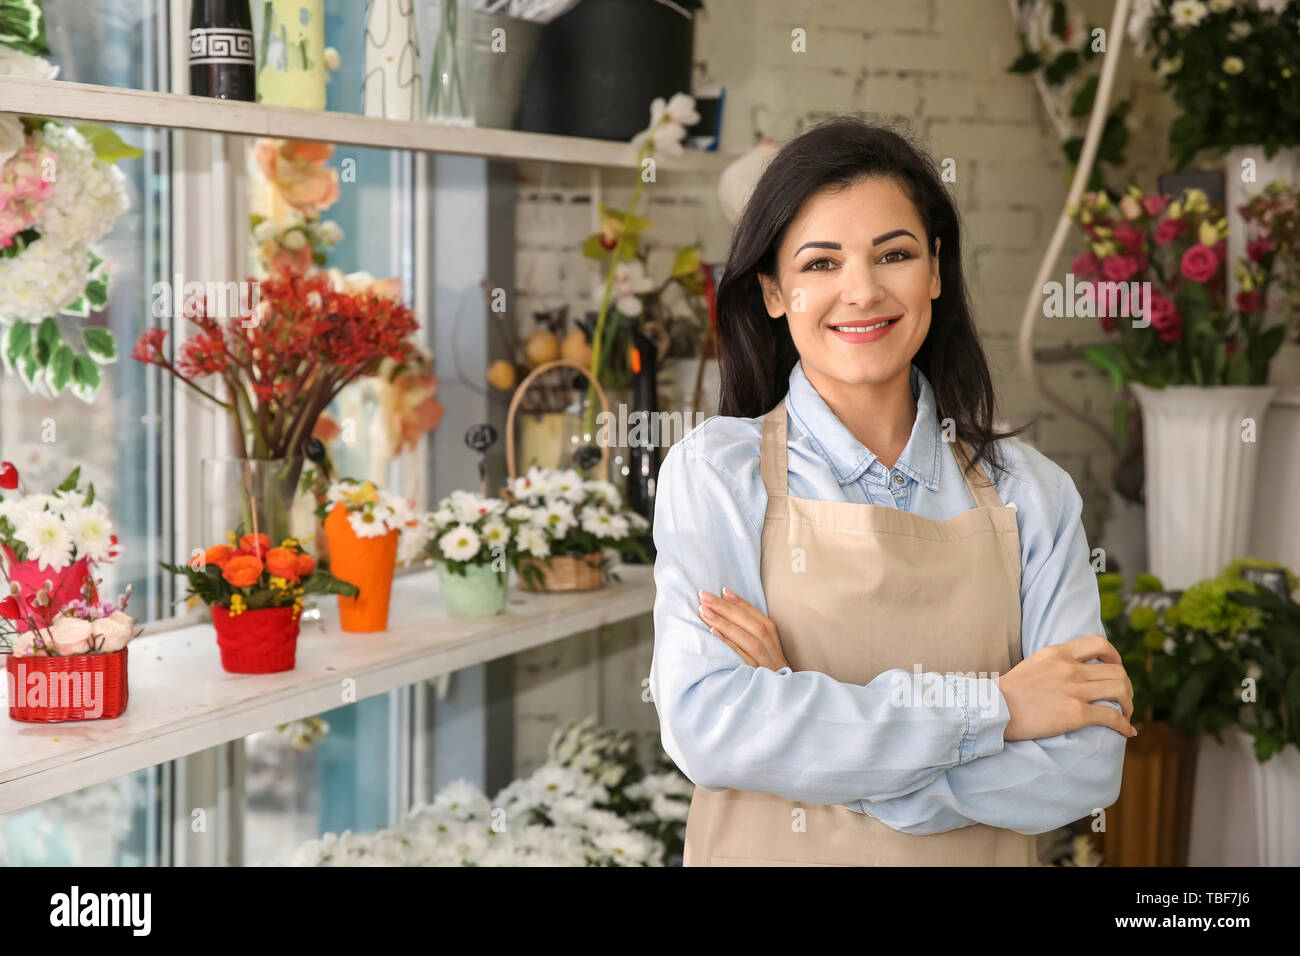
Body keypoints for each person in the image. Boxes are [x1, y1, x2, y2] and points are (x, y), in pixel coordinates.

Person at [648, 115, 1135, 867]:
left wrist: (819, 746)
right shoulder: (717, 473)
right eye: (819, 264)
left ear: (935, 271)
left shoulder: (1034, 494)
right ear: (774, 292)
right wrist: (999, 708)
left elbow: (1087, 764)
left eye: (894, 254)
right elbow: (710, 727)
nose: (862, 291)